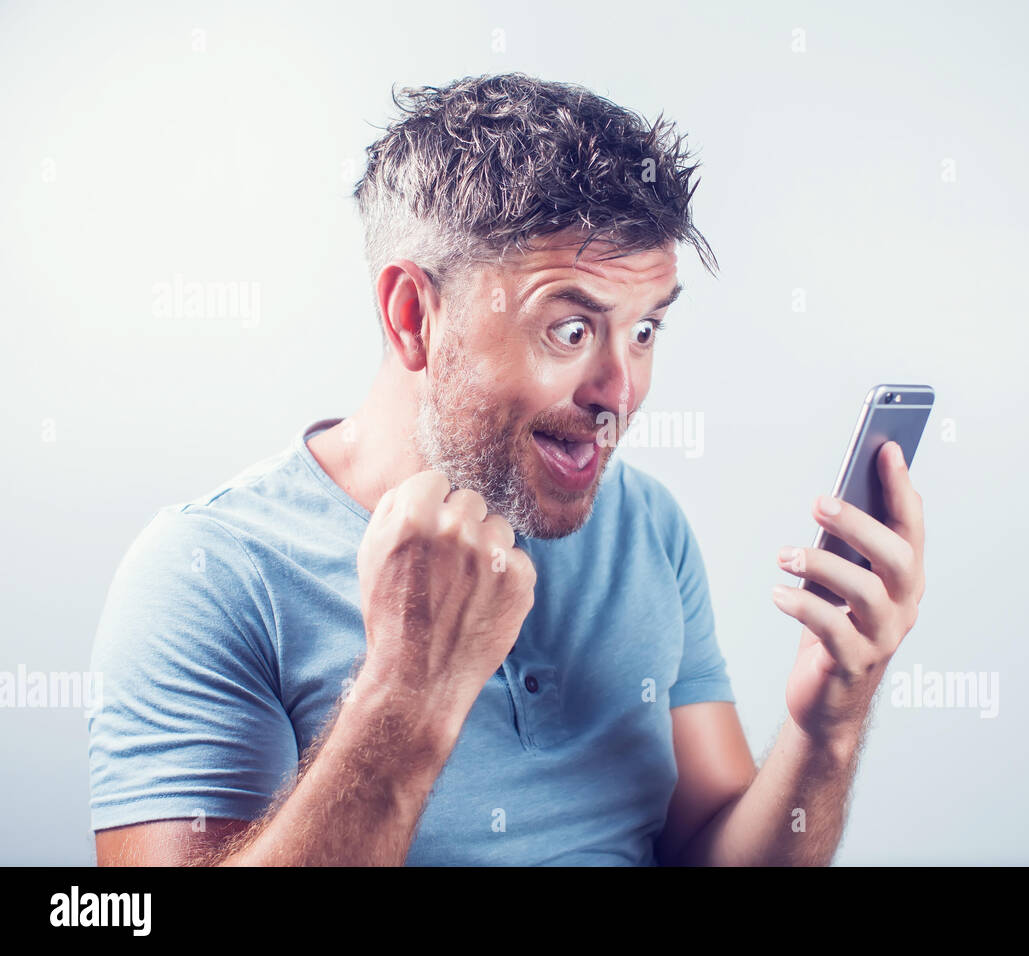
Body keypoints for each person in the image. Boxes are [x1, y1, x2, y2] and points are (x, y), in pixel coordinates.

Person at [88, 72, 926, 866]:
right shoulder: (208, 574)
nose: (620, 392)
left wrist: (831, 727)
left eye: (644, 331)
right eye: (570, 329)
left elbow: (708, 848)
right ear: (414, 315)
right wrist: (406, 693)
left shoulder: (647, 526)